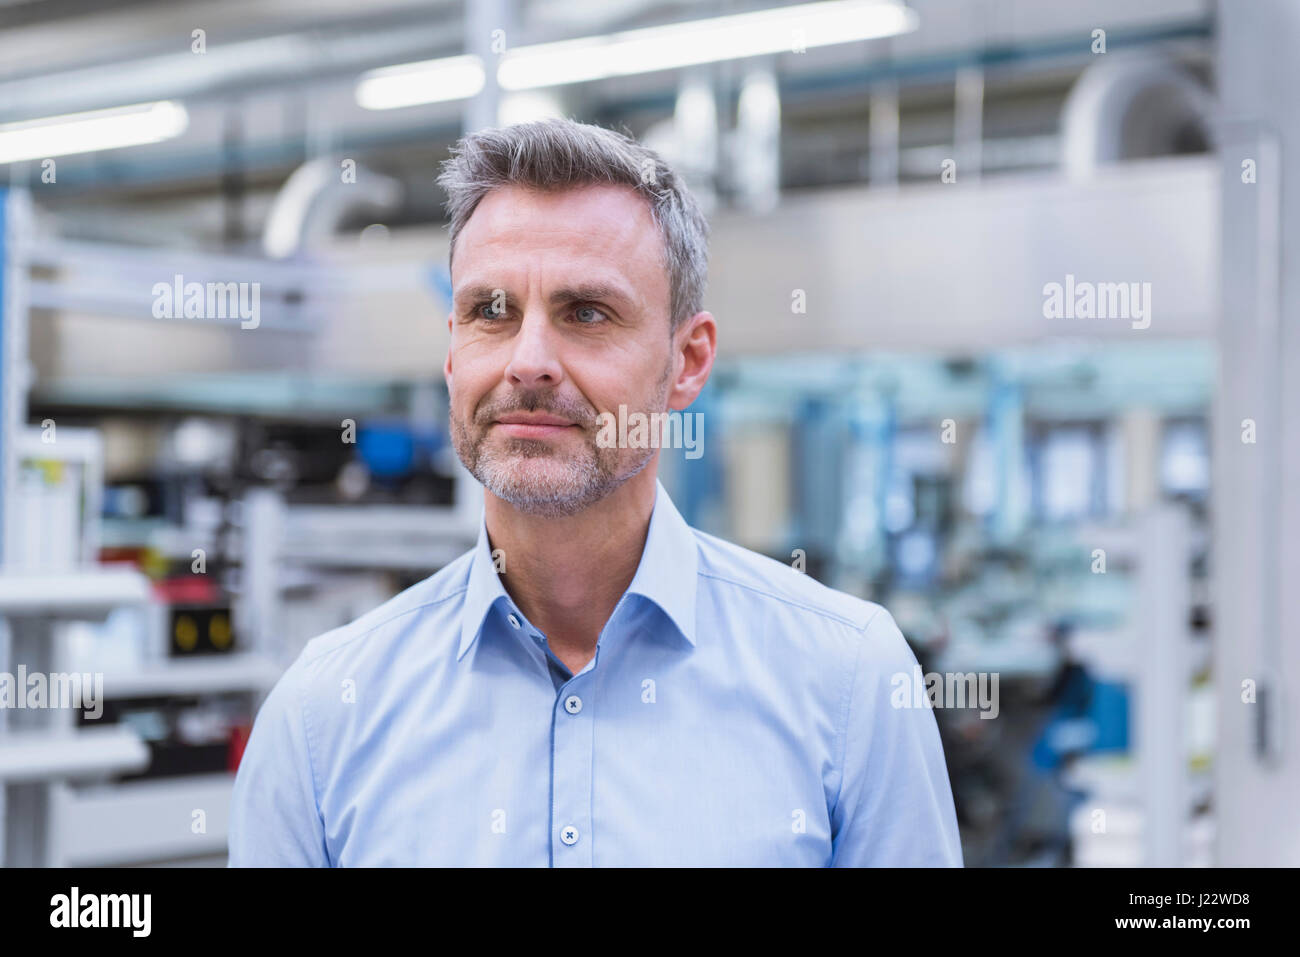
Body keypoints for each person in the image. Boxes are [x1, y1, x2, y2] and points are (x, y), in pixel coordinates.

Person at [228, 117, 962, 867]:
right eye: (491, 312)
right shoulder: (322, 715)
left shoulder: (850, 682)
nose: (530, 361)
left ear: (687, 361)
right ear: (452, 350)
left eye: (586, 313)